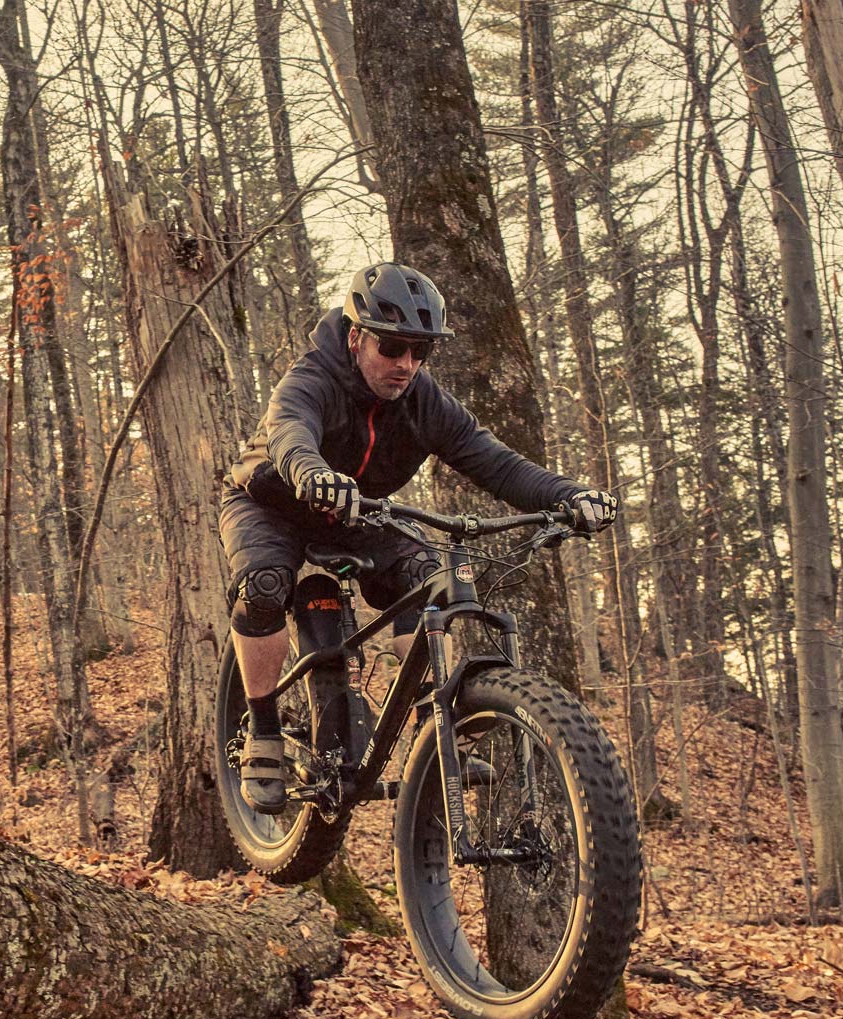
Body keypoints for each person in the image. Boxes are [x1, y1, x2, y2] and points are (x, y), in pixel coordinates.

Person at [221, 262, 618, 813]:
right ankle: (262, 731)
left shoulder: (424, 400)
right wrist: (312, 474)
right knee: (263, 585)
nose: (406, 364)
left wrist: (569, 495)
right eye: (393, 347)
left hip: (357, 514)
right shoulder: (311, 378)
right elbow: (290, 433)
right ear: (357, 336)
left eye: (421, 351)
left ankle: (431, 729)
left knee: (427, 579)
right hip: (272, 503)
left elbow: (496, 464)